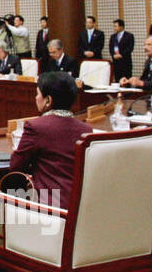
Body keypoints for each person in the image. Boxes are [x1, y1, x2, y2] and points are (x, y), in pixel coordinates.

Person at [8, 71, 91, 204]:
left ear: (48, 100)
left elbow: (16, 166)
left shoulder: (36, 127)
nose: (36, 98)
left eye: (38, 94)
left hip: (49, 209)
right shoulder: (86, 129)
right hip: (78, 207)